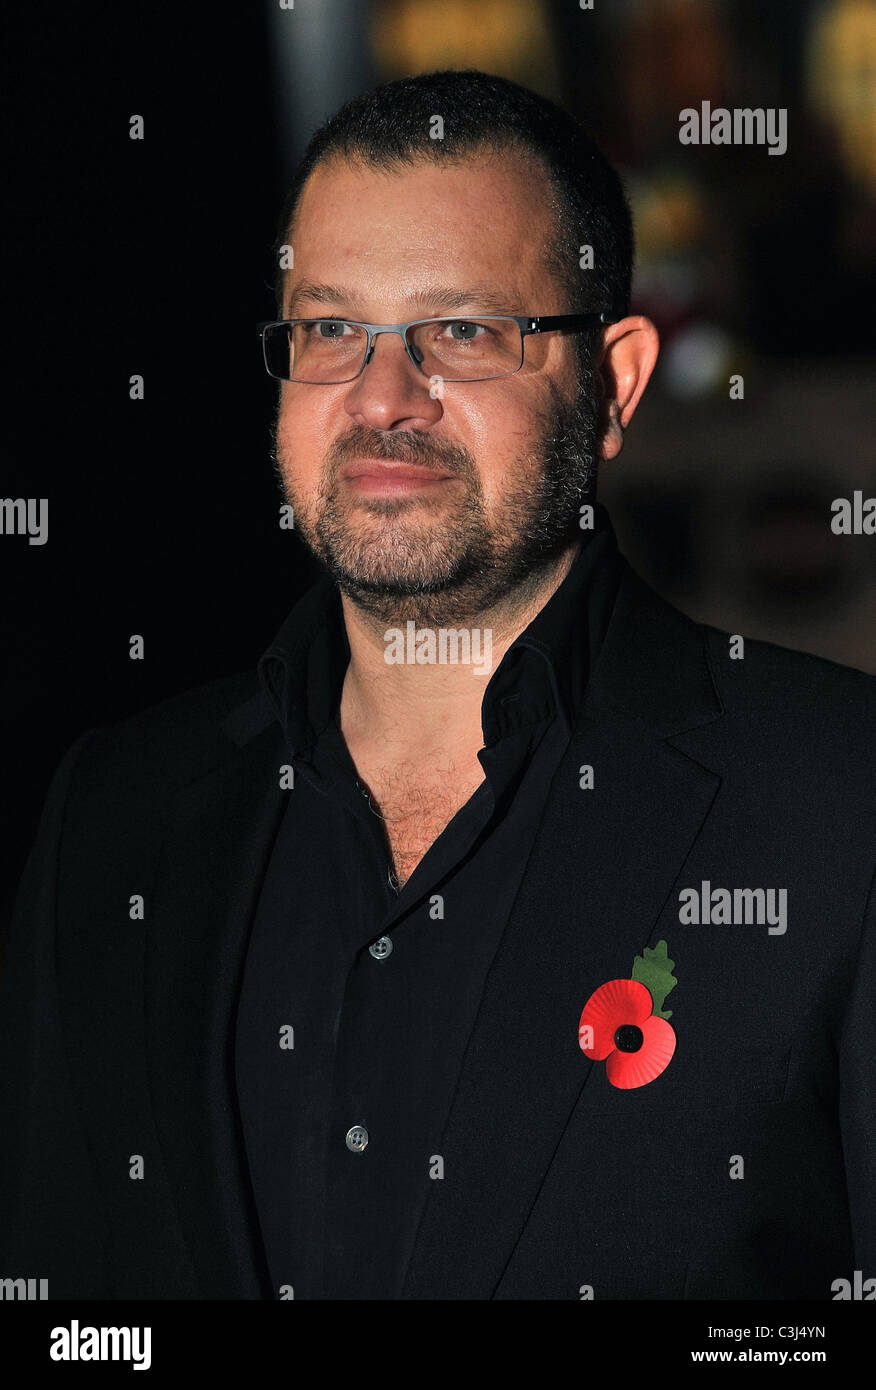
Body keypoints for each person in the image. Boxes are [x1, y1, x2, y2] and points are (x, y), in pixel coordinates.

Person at [1, 69, 874, 1302]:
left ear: (615, 384)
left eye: (462, 330)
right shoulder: (114, 813)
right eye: (330, 329)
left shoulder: (841, 803)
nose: (380, 399)